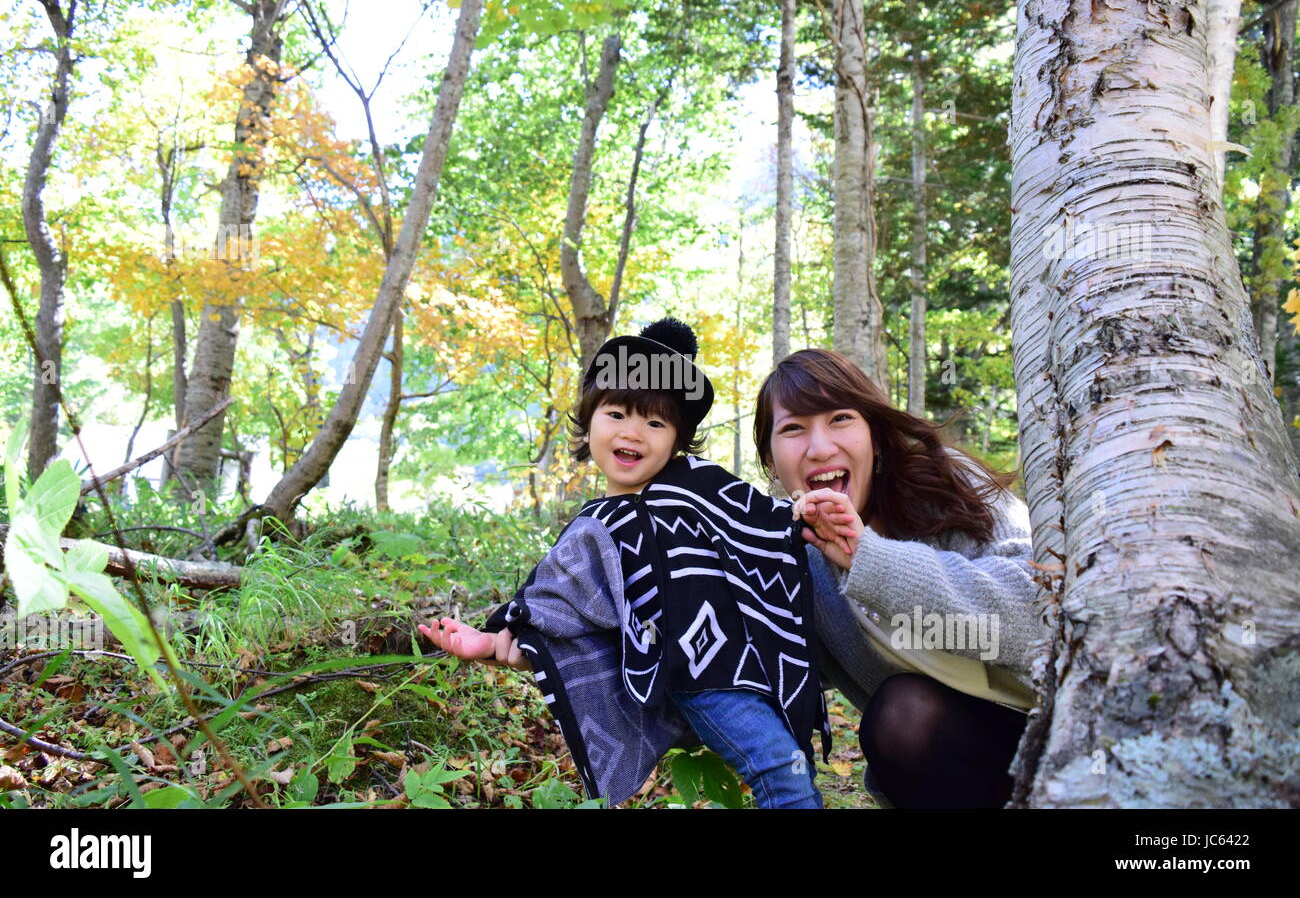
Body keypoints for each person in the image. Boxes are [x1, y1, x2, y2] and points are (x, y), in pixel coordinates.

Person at [421, 318, 829, 808]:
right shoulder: (597, 528)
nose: (633, 432)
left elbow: (762, 523)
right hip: (701, 681)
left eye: (655, 423)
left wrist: (802, 514)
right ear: (589, 421)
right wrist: (490, 641)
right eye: (617, 414)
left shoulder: (700, 485)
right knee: (780, 773)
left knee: (789, 767)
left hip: (755, 664)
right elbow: (560, 613)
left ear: (677, 439)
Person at [753, 348, 1039, 809]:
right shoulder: (794, 558)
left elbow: (1039, 615)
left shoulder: (948, 482)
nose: (820, 447)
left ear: (875, 436)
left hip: (1062, 732)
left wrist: (870, 558)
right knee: (902, 712)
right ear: (771, 462)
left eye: (841, 418)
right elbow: (761, 675)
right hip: (947, 764)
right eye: (792, 428)